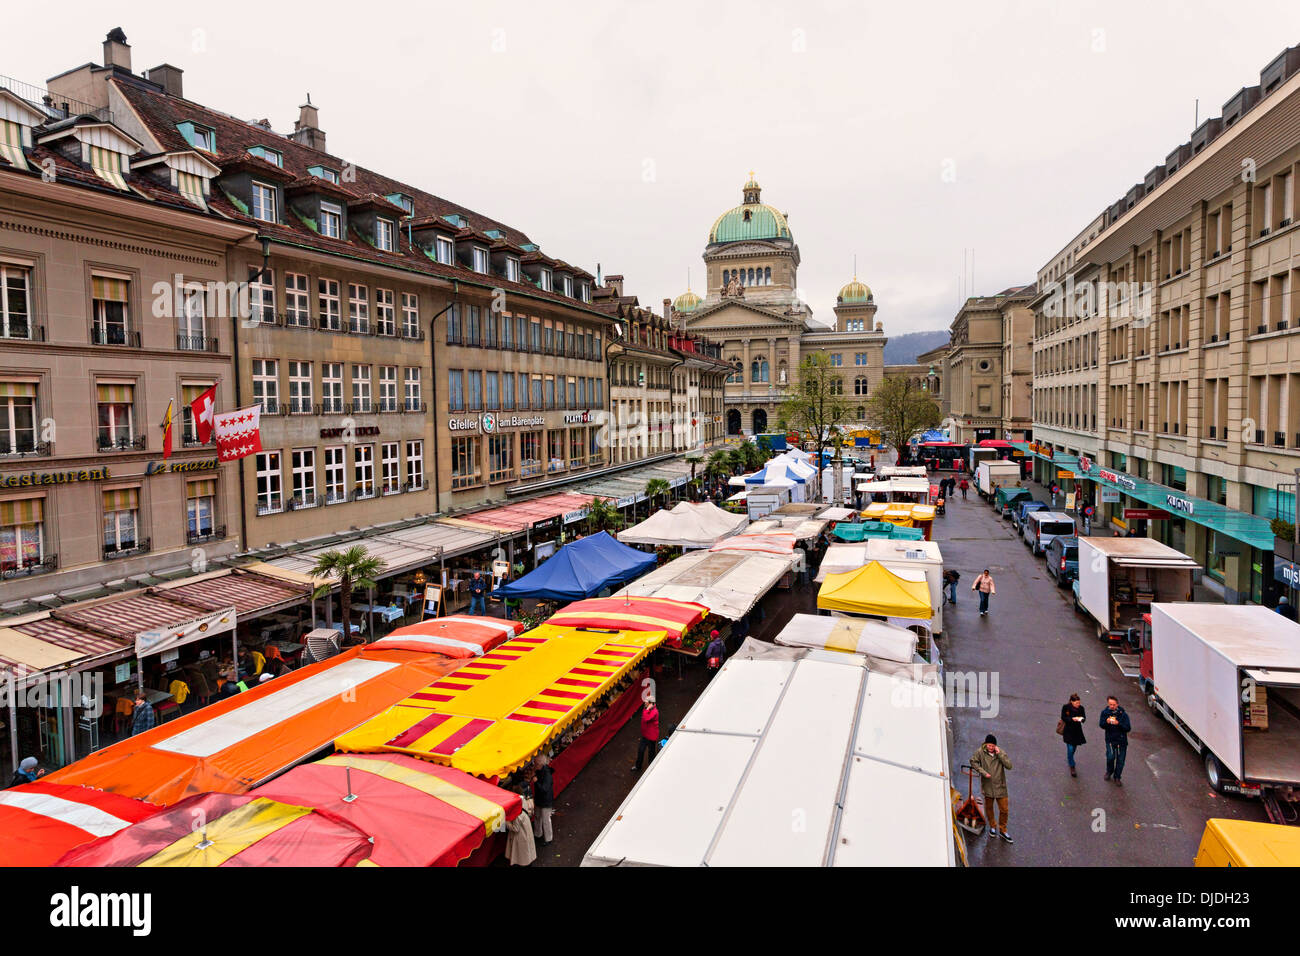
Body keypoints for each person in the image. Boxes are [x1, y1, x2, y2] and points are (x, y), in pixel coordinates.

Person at [970, 734, 1013, 843]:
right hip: (988, 785)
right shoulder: (980, 752)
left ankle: (1003, 829)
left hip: (1000, 786)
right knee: (989, 808)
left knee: (1004, 809)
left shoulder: (1000, 752)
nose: (991, 748)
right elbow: (973, 761)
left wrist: (1000, 755)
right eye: (989, 745)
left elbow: (1009, 766)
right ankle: (992, 826)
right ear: (985, 744)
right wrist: (983, 773)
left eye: (993, 746)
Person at [1098, 695, 1131, 785]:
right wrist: (1106, 722)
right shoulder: (1105, 713)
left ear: (1117, 704)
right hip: (1110, 740)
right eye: (1110, 704)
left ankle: (1117, 777)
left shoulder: (1123, 715)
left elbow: (1128, 728)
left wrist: (1118, 723)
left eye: (1113, 704)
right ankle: (1109, 771)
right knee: (1110, 757)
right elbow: (1101, 724)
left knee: (1121, 760)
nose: (1111, 706)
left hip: (1121, 741)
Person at [1060, 693, 1087, 777]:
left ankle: (1070, 757)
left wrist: (1080, 719)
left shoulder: (1081, 708)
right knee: (1070, 748)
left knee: (1074, 747)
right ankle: (1072, 765)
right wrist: (1072, 719)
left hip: (1077, 731)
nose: (1078, 705)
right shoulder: (1066, 707)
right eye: (1076, 703)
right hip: (1068, 730)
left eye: (1079, 703)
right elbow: (1063, 717)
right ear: (1071, 702)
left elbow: (1084, 718)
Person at [632, 695, 660, 772]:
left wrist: (647, 709)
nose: (644, 703)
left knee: (651, 753)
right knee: (640, 750)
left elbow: (646, 719)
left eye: (646, 702)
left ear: (650, 703)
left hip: (651, 736)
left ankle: (651, 768)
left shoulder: (654, 711)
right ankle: (638, 766)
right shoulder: (646, 708)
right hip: (645, 735)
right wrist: (647, 709)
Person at [532, 754, 554, 846]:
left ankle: (548, 839)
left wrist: (536, 781)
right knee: (537, 817)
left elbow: (544, 789)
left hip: (545, 801)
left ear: (540, 764)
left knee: (545, 820)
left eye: (536, 764)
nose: (534, 765)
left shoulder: (547, 775)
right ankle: (537, 834)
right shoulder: (540, 771)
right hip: (539, 800)